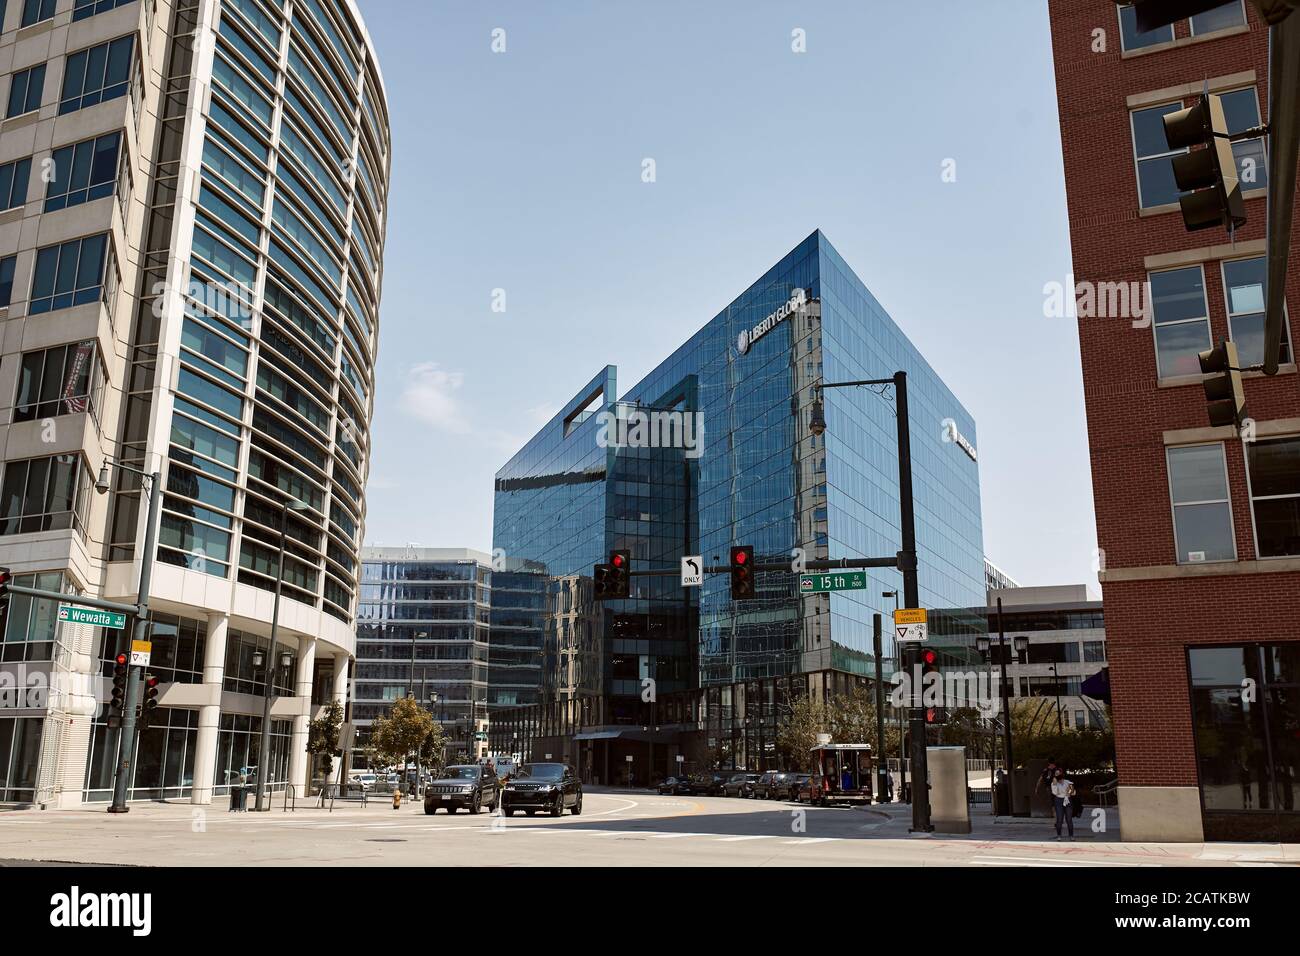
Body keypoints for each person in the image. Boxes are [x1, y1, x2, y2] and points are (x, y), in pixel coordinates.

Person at [1050, 767, 1075, 840]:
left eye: (1058, 773)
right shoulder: (1054, 783)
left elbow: (1072, 792)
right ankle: (1059, 835)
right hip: (1058, 800)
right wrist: (1054, 784)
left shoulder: (1068, 782)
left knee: (1069, 819)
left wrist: (1069, 792)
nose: (1057, 775)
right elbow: (1055, 793)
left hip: (1068, 800)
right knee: (1059, 819)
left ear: (1061, 774)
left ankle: (1071, 835)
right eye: (1055, 774)